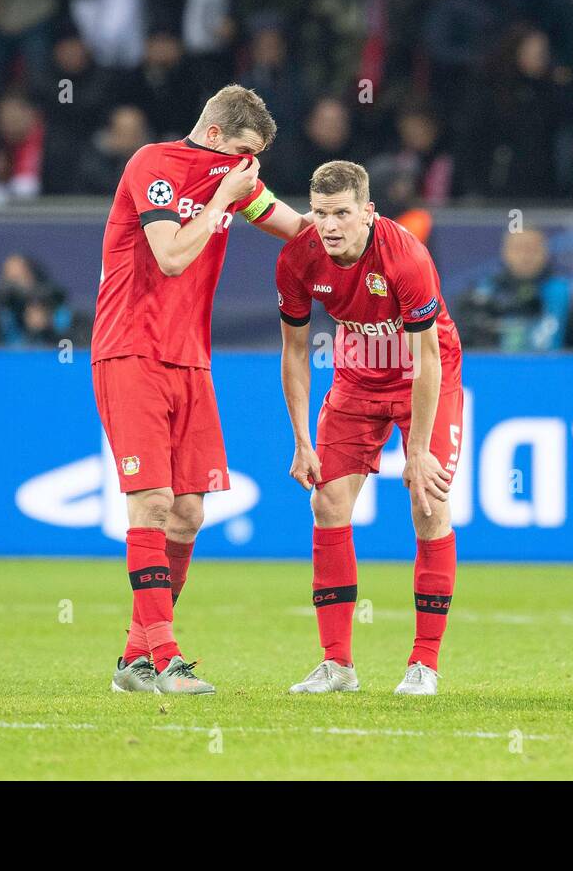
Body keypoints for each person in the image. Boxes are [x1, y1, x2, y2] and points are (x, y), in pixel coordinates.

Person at [93, 84, 310, 695]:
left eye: (256, 157)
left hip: (190, 360)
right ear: (215, 134)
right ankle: (166, 659)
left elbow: (298, 229)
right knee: (153, 502)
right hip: (131, 350)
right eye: (243, 150)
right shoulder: (153, 166)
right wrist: (222, 197)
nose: (250, 166)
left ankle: (134, 660)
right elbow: (168, 256)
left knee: (188, 513)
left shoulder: (235, 180)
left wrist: (361, 232)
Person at [277, 160, 463, 697]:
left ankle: (423, 664)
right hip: (356, 380)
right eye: (320, 213)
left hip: (424, 378)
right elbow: (293, 351)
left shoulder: (406, 258)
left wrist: (420, 449)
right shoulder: (298, 257)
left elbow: (427, 358)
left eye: (342, 213)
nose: (330, 225)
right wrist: (301, 440)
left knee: (427, 505)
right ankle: (337, 666)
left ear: (368, 213)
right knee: (327, 504)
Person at [458, 227, 571, 352]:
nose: (526, 256)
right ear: (505, 252)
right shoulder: (482, 293)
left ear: (545, 252)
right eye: (519, 249)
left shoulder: (564, 294)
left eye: (533, 249)